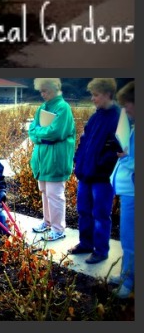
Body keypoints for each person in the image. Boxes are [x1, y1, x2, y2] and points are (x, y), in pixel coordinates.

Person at [71, 78, 121, 263]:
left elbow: (118, 149)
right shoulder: (95, 116)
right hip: (85, 175)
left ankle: (100, 251)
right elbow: (83, 141)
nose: (92, 99)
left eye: (96, 95)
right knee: (83, 211)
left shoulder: (118, 118)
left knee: (100, 215)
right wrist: (78, 160)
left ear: (108, 94)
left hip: (102, 178)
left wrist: (100, 165)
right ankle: (85, 244)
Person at [28, 77, 75, 242]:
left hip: (56, 160)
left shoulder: (63, 108)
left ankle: (58, 229)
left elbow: (55, 133)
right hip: (42, 160)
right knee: (45, 193)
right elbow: (32, 131)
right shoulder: (42, 108)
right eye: (41, 91)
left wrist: (40, 134)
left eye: (45, 90)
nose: (42, 94)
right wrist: (42, 134)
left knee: (55, 195)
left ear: (55, 89)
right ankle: (47, 222)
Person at [110, 81, 134, 300]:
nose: (125, 110)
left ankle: (128, 282)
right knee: (127, 237)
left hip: (134, 193)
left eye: (127, 105)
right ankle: (127, 273)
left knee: (130, 238)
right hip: (127, 192)